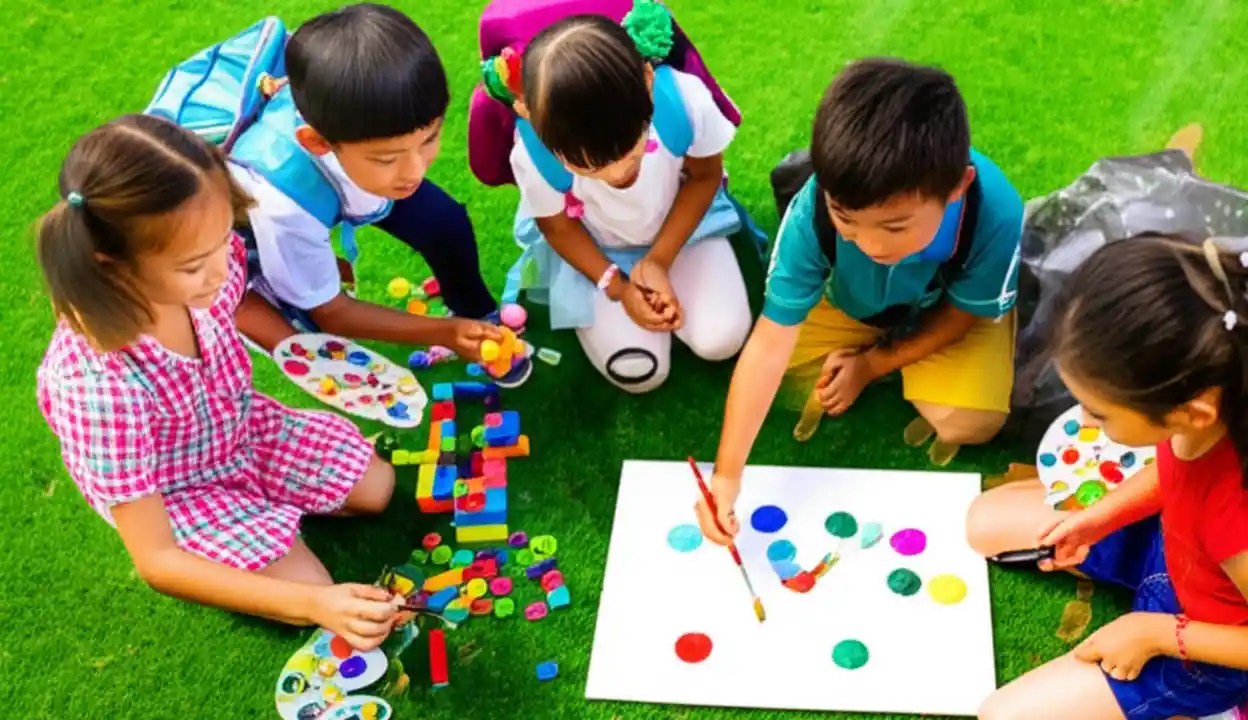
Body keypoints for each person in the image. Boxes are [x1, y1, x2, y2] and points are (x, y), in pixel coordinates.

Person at [36, 114, 399, 651]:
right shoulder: (97, 382)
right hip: (179, 492)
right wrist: (313, 604)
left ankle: (274, 509)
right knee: (311, 593)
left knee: (378, 489)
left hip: (238, 429)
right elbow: (157, 560)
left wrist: (296, 350)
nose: (218, 269)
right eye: (192, 265)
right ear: (111, 265)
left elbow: (237, 301)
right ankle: (257, 529)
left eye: (222, 239)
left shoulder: (205, 260)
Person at [696, 58, 1023, 543]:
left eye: (894, 226)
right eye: (845, 217)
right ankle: (877, 350)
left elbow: (961, 315)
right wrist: (726, 477)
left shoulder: (994, 213)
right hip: (856, 304)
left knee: (967, 422)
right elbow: (768, 343)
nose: (870, 245)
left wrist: (873, 365)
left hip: (942, 311)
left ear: (957, 187)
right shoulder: (811, 211)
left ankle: (888, 358)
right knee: (779, 377)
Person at [967, 236, 1248, 720]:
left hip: (1211, 647)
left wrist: (1155, 633)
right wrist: (1100, 516)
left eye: (1099, 413)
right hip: (1174, 553)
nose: (1088, 425)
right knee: (985, 522)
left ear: (1191, 412)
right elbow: (1175, 473)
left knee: (1002, 717)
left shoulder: (1246, 531)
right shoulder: (1207, 409)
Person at [229, 3, 501, 358]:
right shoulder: (282, 208)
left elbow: (400, 167)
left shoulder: (372, 131)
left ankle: (475, 309)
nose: (415, 171)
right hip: (283, 203)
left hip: (343, 170)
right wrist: (445, 333)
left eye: (430, 138)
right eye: (388, 157)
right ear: (318, 141)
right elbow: (332, 313)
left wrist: (466, 320)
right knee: (307, 335)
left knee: (442, 222)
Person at [503, 12, 753, 392]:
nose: (618, 174)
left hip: (685, 231)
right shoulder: (532, 154)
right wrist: (616, 286)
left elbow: (704, 177)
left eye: (632, 153)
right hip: (598, 249)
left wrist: (659, 260)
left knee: (722, 340)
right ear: (531, 119)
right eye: (589, 167)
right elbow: (557, 226)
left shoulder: (683, 100)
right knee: (639, 372)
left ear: (648, 82)